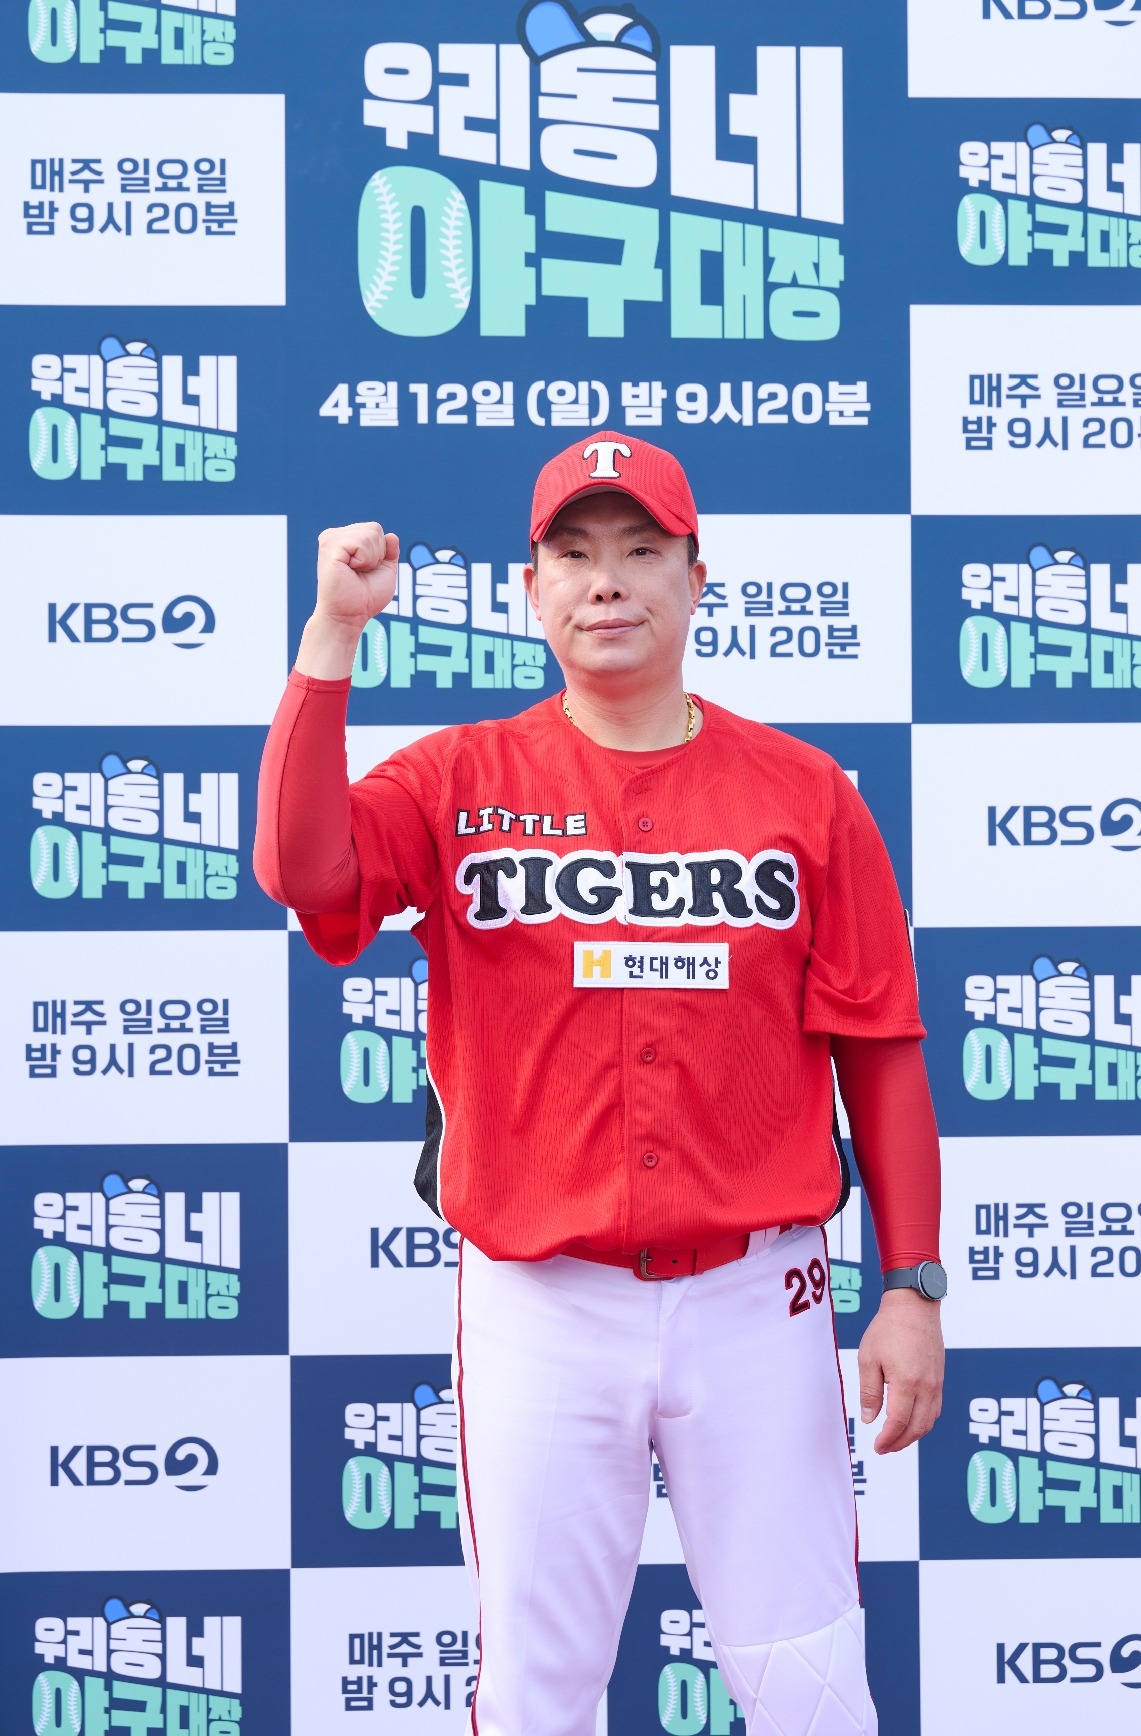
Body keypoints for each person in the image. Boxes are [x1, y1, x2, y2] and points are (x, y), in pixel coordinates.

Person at [255, 433, 944, 1736]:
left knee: (807, 1685)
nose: (608, 581)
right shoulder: (456, 779)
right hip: (542, 1302)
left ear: (697, 579)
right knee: (538, 1694)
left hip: (758, 1299)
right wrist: (331, 639)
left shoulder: (806, 794)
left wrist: (911, 1284)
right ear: (532, 591)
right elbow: (306, 875)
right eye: (574, 555)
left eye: (640, 551)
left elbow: (883, 1048)